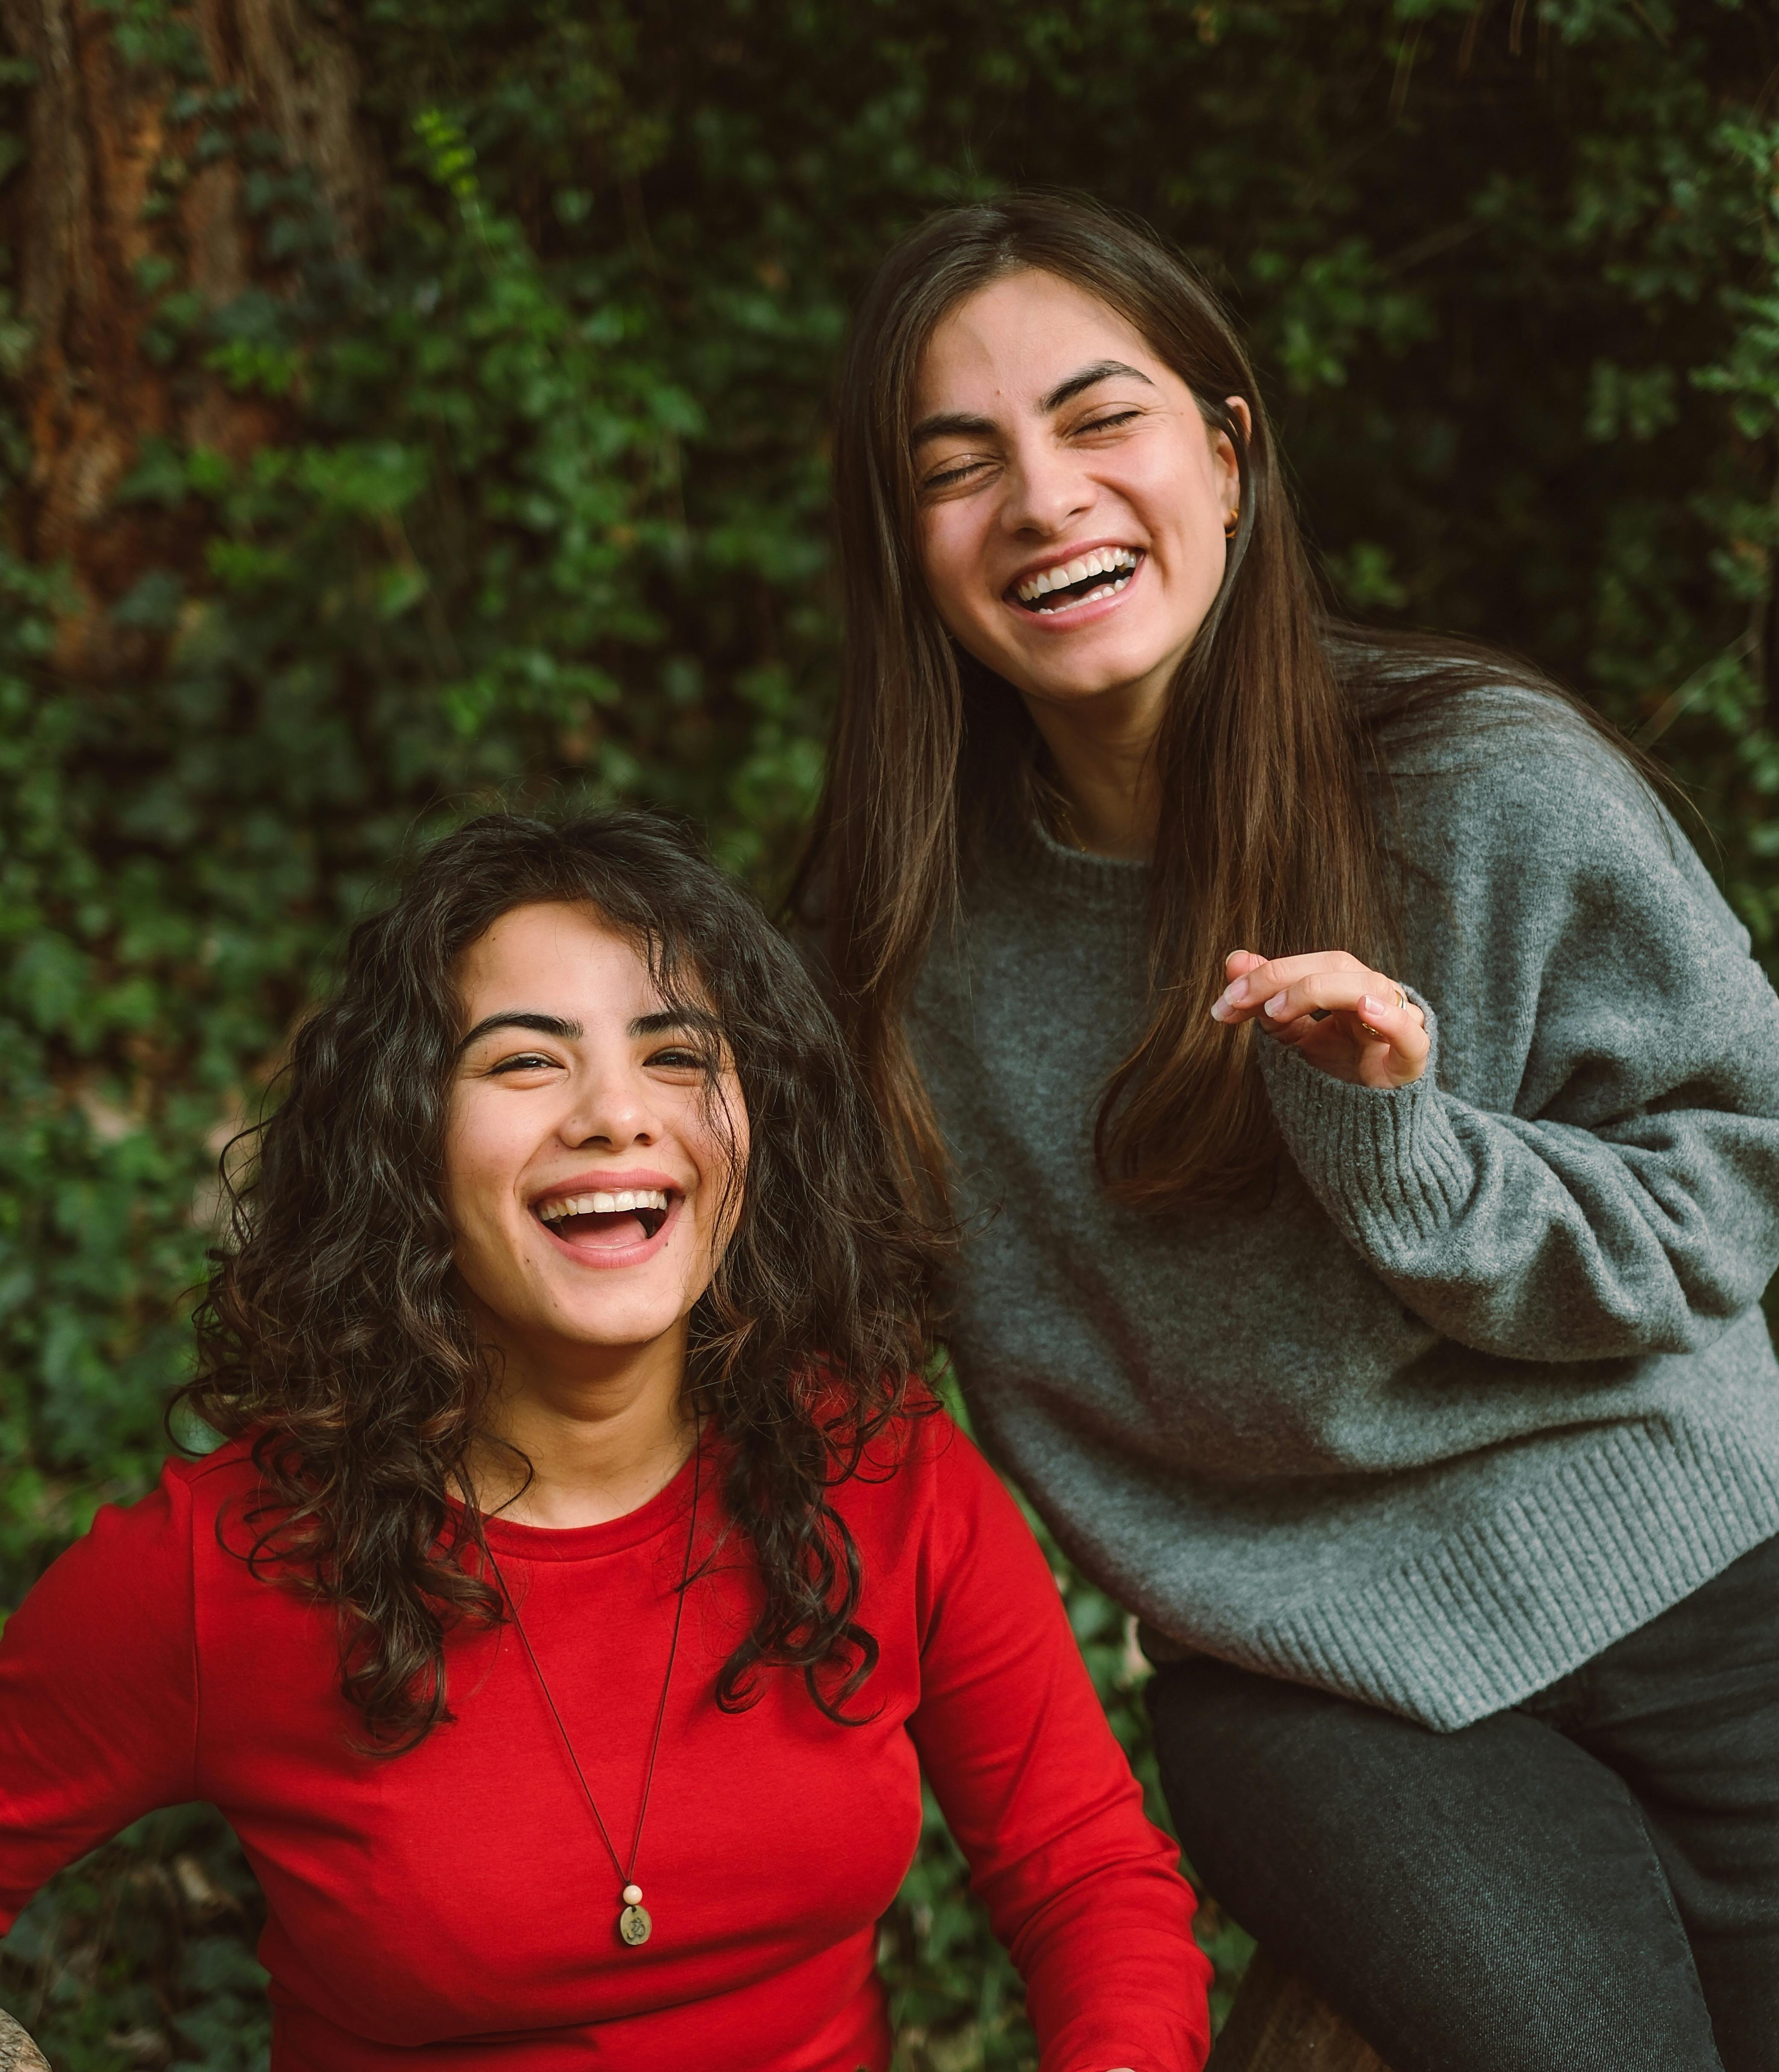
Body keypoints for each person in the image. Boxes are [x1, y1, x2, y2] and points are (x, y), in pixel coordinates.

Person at [792, 192, 1779, 2072]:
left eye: (1101, 420)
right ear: (902, 546)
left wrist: (1408, 1148)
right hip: (1315, 1676)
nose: (1044, 499)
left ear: (1224, 455)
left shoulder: (1483, 782)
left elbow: (1726, 1190)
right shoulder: (893, 944)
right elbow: (795, 1324)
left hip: (1696, 1567)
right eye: (958, 463)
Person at [0, 810, 1211, 2072]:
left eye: (678, 1053)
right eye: (526, 1063)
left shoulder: (877, 1464)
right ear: (407, 1139)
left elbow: (1088, 1875)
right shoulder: (235, 1557)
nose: (615, 1115)